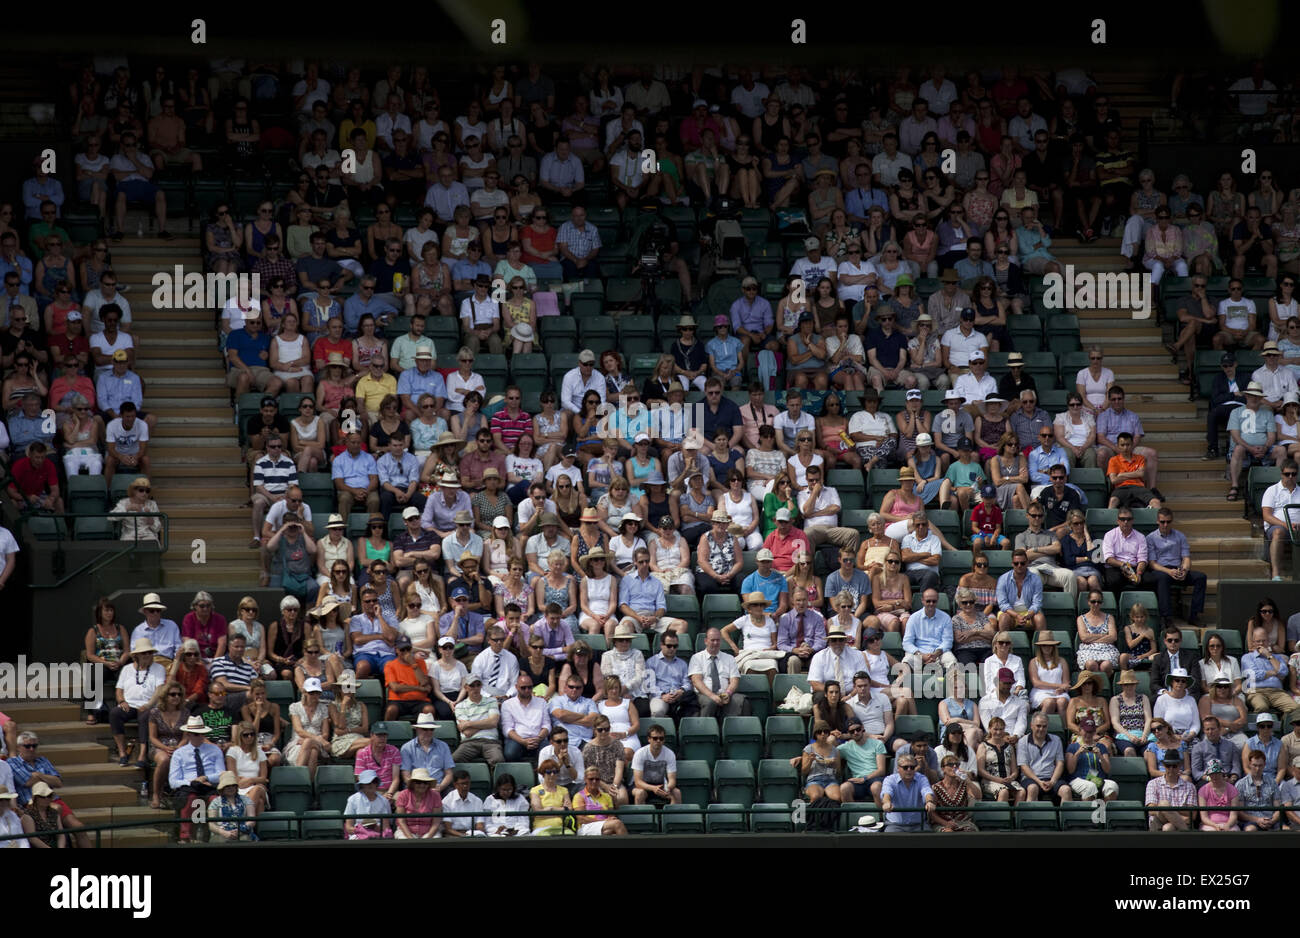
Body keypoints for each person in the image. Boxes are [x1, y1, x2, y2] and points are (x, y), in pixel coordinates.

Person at [168, 716, 226, 842]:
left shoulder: (215, 750)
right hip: (189, 787)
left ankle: (218, 835)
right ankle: (186, 837)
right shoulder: (179, 753)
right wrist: (193, 782)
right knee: (191, 799)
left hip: (209, 785)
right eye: (195, 734)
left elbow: (221, 773)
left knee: (215, 801)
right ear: (188, 735)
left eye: (201, 734)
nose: (199, 737)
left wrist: (205, 777)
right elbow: (173, 781)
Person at [688, 628, 748, 719]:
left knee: (741, 700)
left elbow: (734, 680)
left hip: (724, 693)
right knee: (710, 702)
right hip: (703, 694)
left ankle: (729, 730)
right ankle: (705, 729)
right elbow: (696, 681)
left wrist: (728, 693)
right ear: (706, 641)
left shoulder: (729, 658)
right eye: (712, 640)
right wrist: (712, 696)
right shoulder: (697, 658)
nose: (715, 643)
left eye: (718, 640)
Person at [1241, 626, 1299, 717]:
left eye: (1264, 641)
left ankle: (1283, 728)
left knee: (1295, 708)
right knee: (1261, 707)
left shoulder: (1277, 657)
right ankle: (1262, 730)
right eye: (1258, 641)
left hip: (1277, 692)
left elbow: (1283, 672)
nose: (1261, 643)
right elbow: (1254, 675)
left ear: (1268, 642)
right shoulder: (1247, 657)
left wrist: (1268, 655)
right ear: (1253, 643)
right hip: (1256, 692)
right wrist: (1274, 672)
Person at [1018, 712, 1072, 803]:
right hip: (1031, 779)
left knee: (1066, 790)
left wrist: (1053, 781)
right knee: (1032, 789)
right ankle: (1029, 817)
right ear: (1031, 726)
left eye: (1044, 726)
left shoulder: (1056, 740)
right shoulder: (1023, 741)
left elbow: (1060, 763)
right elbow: (1023, 766)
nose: (1041, 729)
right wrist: (1039, 781)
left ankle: (1066, 817)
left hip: (1051, 778)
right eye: (1038, 726)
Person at [881, 752, 934, 832]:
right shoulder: (890, 779)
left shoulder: (922, 778)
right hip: (895, 825)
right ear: (898, 768)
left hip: (919, 824)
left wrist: (929, 801)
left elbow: (926, 791)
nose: (909, 770)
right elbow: (887, 793)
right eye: (905, 767)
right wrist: (887, 803)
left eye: (912, 767)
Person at [631, 725, 681, 805]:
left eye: (661, 738)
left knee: (677, 793)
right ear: (649, 739)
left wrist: (667, 788)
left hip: (660, 786)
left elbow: (672, 780)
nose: (658, 741)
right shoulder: (640, 753)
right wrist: (653, 788)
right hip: (642, 786)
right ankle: (642, 817)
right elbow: (638, 782)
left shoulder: (670, 754)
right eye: (655, 738)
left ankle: (673, 817)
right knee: (640, 793)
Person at [1238, 748, 1280, 832]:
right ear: (1250, 764)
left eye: (1260, 765)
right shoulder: (1241, 784)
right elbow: (1240, 812)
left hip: (1270, 820)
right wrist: (1257, 820)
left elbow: (1278, 808)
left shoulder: (1272, 782)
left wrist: (1272, 821)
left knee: (1286, 830)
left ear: (1264, 764)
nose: (1257, 768)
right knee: (1250, 830)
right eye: (1255, 765)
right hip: (1251, 821)